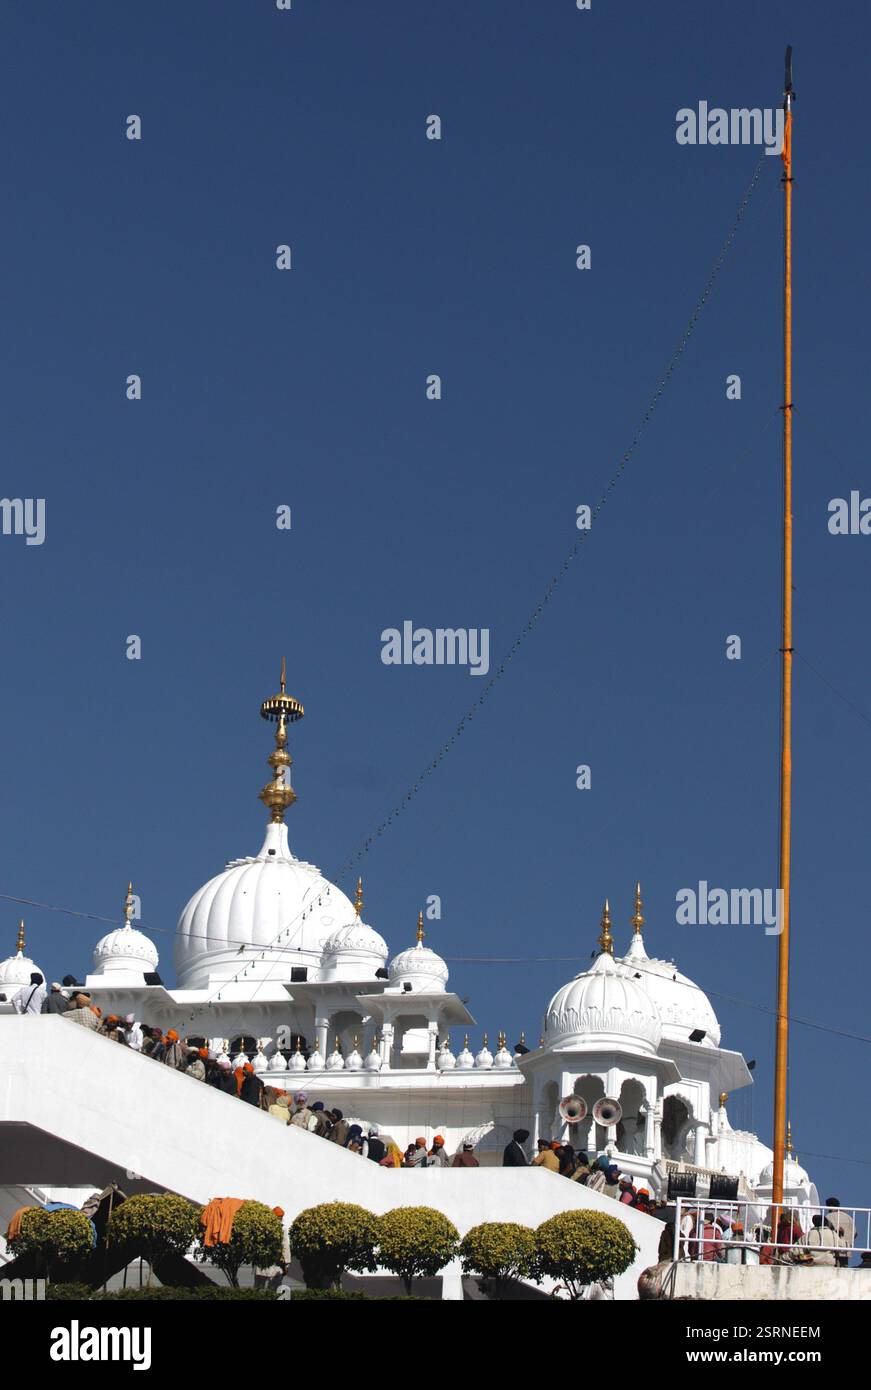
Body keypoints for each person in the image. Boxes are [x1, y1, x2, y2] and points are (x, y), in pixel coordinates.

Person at [825, 1198, 854, 1266]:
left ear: (830, 1206)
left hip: (833, 1250)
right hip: (846, 1249)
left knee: (833, 1271)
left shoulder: (828, 1217)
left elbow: (826, 1232)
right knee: (844, 1269)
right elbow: (855, 1233)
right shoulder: (848, 1217)